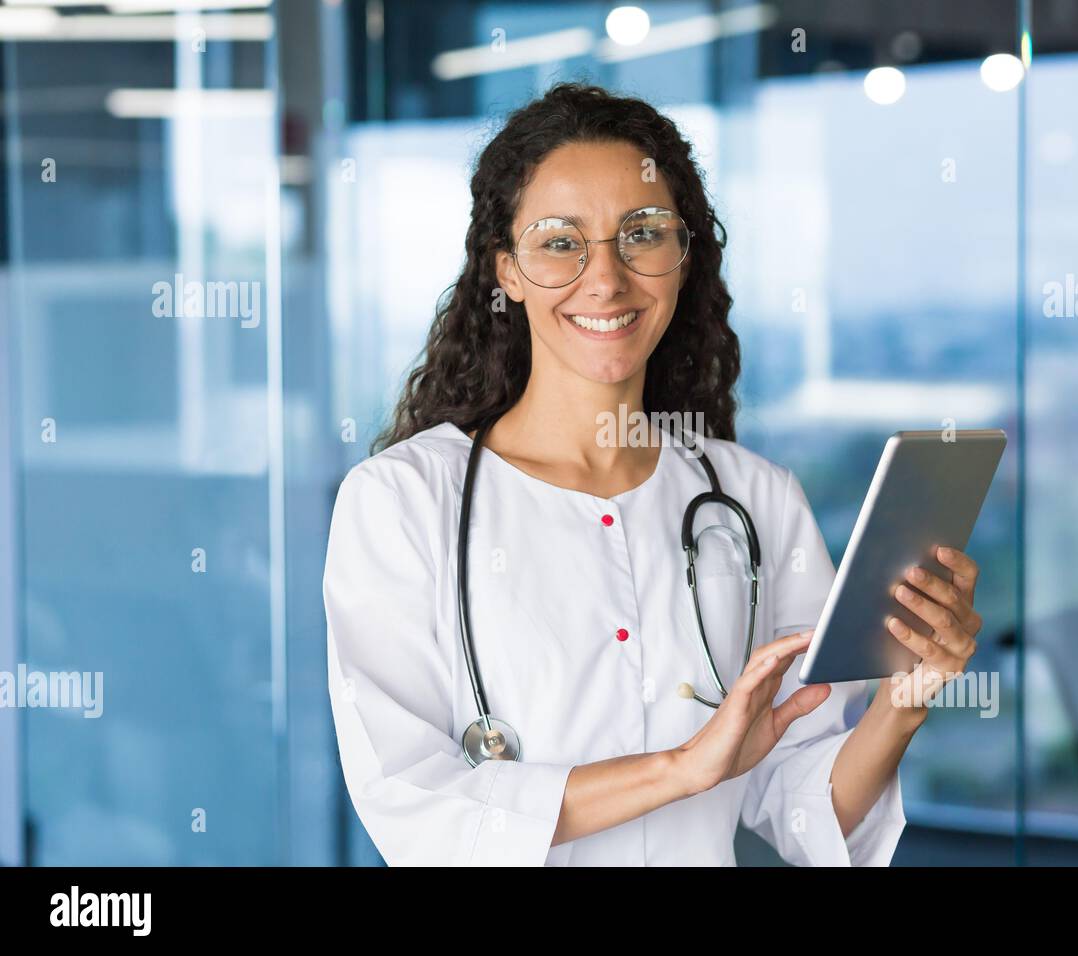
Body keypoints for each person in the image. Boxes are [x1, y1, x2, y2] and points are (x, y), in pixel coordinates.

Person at [323, 82, 984, 866]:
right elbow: (414, 806)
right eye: (560, 241)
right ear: (506, 270)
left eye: (642, 234)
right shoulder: (401, 502)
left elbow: (805, 809)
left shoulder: (755, 498)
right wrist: (681, 768)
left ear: (683, 255)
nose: (606, 279)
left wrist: (902, 703)